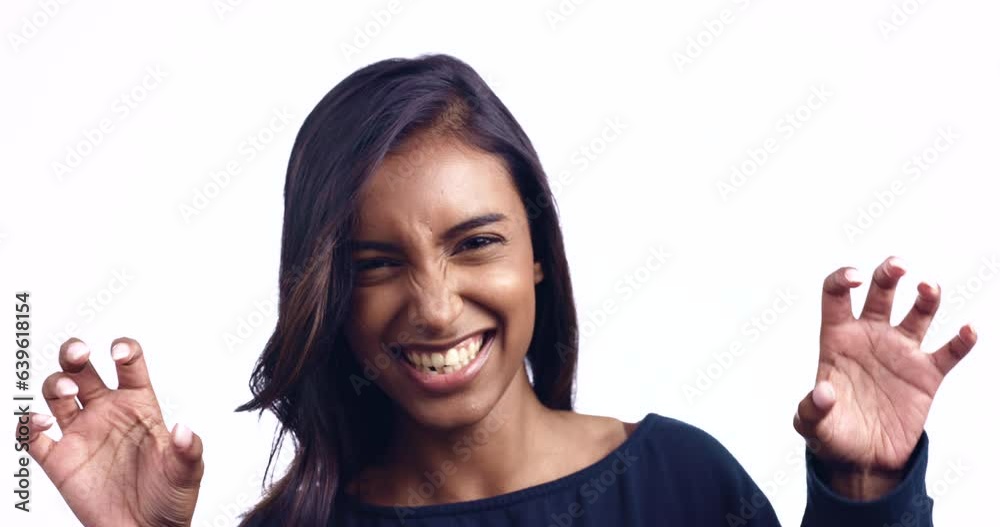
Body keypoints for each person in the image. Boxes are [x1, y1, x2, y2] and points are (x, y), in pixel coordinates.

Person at [22, 54, 978, 526]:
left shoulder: (681, 485)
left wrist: (868, 492)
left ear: (538, 257)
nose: (435, 305)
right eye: (375, 263)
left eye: (473, 242)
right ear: (329, 298)